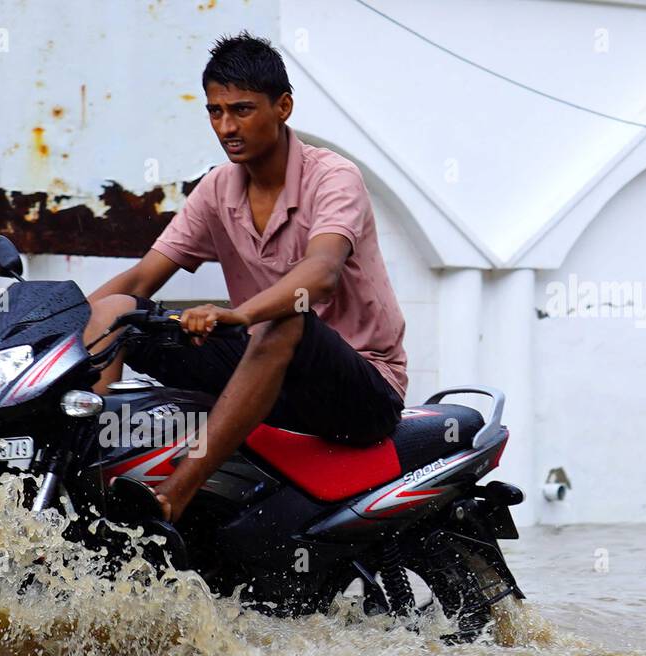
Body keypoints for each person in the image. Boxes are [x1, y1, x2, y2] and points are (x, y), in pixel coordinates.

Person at [84, 31, 408, 525]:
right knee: (115, 314)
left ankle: (172, 497)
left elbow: (319, 275)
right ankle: (82, 474)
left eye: (242, 110)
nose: (226, 126)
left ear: (283, 107)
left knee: (285, 318)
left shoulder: (334, 177)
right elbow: (142, 278)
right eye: (215, 112)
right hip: (264, 375)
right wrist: (49, 323)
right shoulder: (218, 187)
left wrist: (239, 314)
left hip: (360, 391)